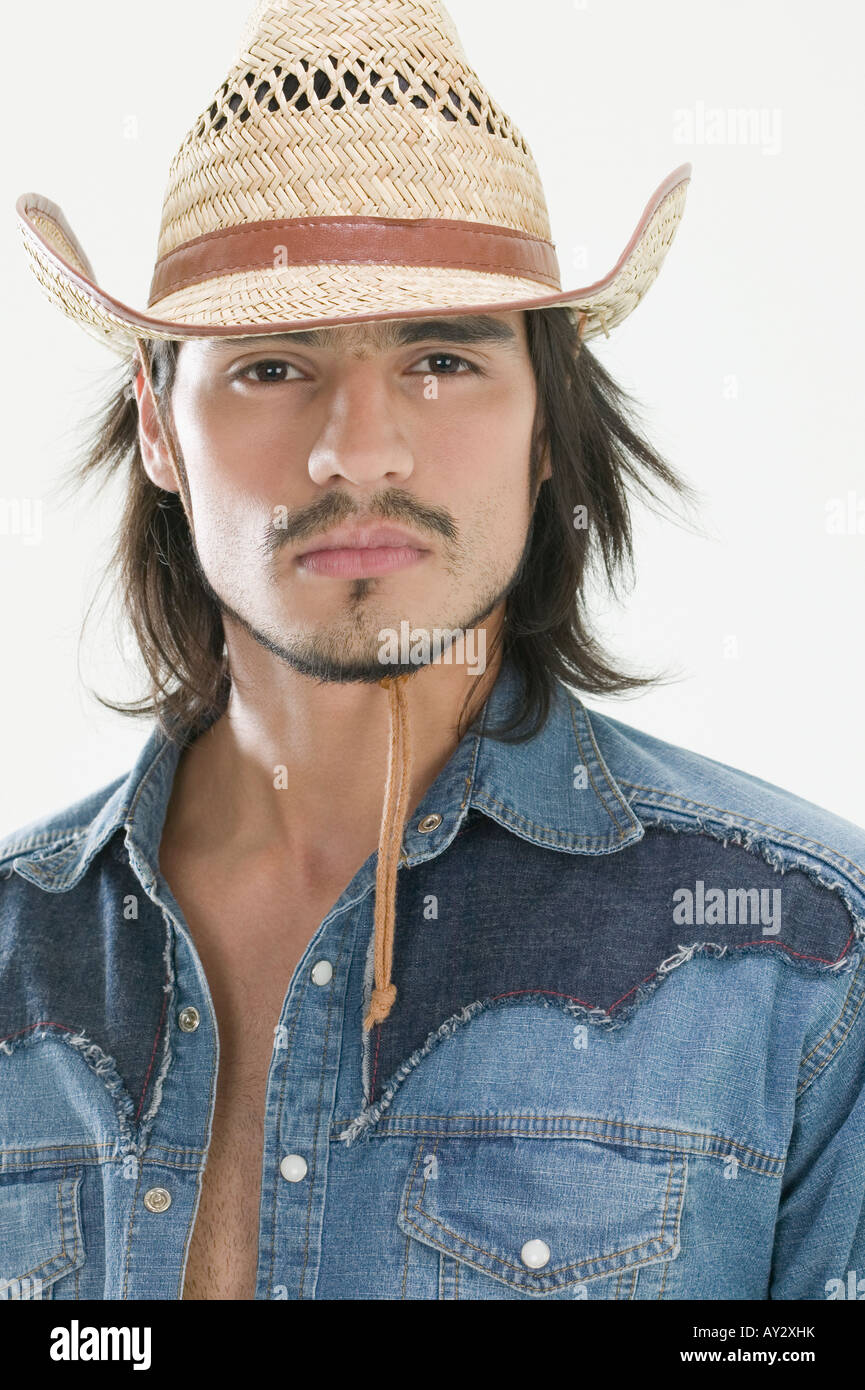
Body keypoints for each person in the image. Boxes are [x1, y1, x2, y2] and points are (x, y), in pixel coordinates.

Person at [3, 0, 864, 1302]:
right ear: (157, 425)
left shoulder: (802, 957)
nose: (360, 448)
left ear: (545, 422)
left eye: (443, 357)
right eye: (271, 364)